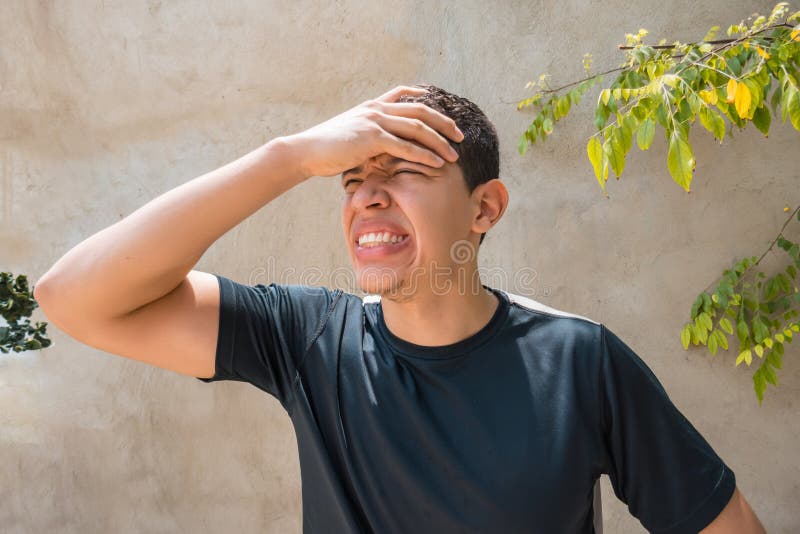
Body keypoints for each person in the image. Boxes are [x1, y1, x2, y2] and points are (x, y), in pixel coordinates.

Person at [34, 83, 765, 533]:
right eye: (349, 177)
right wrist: (289, 156)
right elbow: (72, 298)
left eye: (404, 170)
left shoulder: (579, 361)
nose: (366, 196)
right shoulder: (305, 339)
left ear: (485, 209)